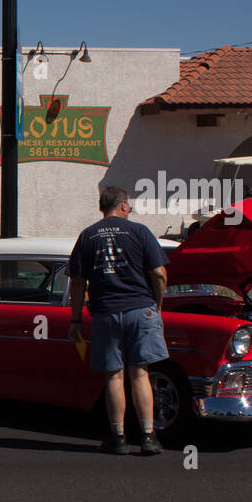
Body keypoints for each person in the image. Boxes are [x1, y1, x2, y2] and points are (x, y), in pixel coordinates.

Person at [67, 186, 170, 455]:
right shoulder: (140, 232)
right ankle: (148, 436)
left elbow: (77, 283)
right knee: (140, 372)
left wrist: (75, 319)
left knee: (114, 375)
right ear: (123, 205)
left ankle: (118, 437)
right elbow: (159, 273)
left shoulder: (88, 236)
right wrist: (157, 303)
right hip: (140, 308)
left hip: (106, 312)